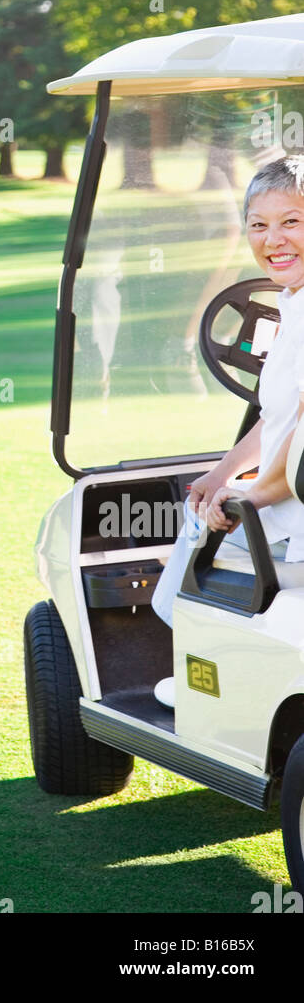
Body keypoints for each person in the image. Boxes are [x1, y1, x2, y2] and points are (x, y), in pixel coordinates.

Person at [152, 154, 304, 703]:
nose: (274, 239)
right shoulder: (292, 304)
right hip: (290, 498)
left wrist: (253, 495)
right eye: (259, 225)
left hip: (297, 519)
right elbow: (280, 417)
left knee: (190, 556)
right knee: (203, 508)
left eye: (292, 221)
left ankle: (204, 682)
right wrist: (221, 474)